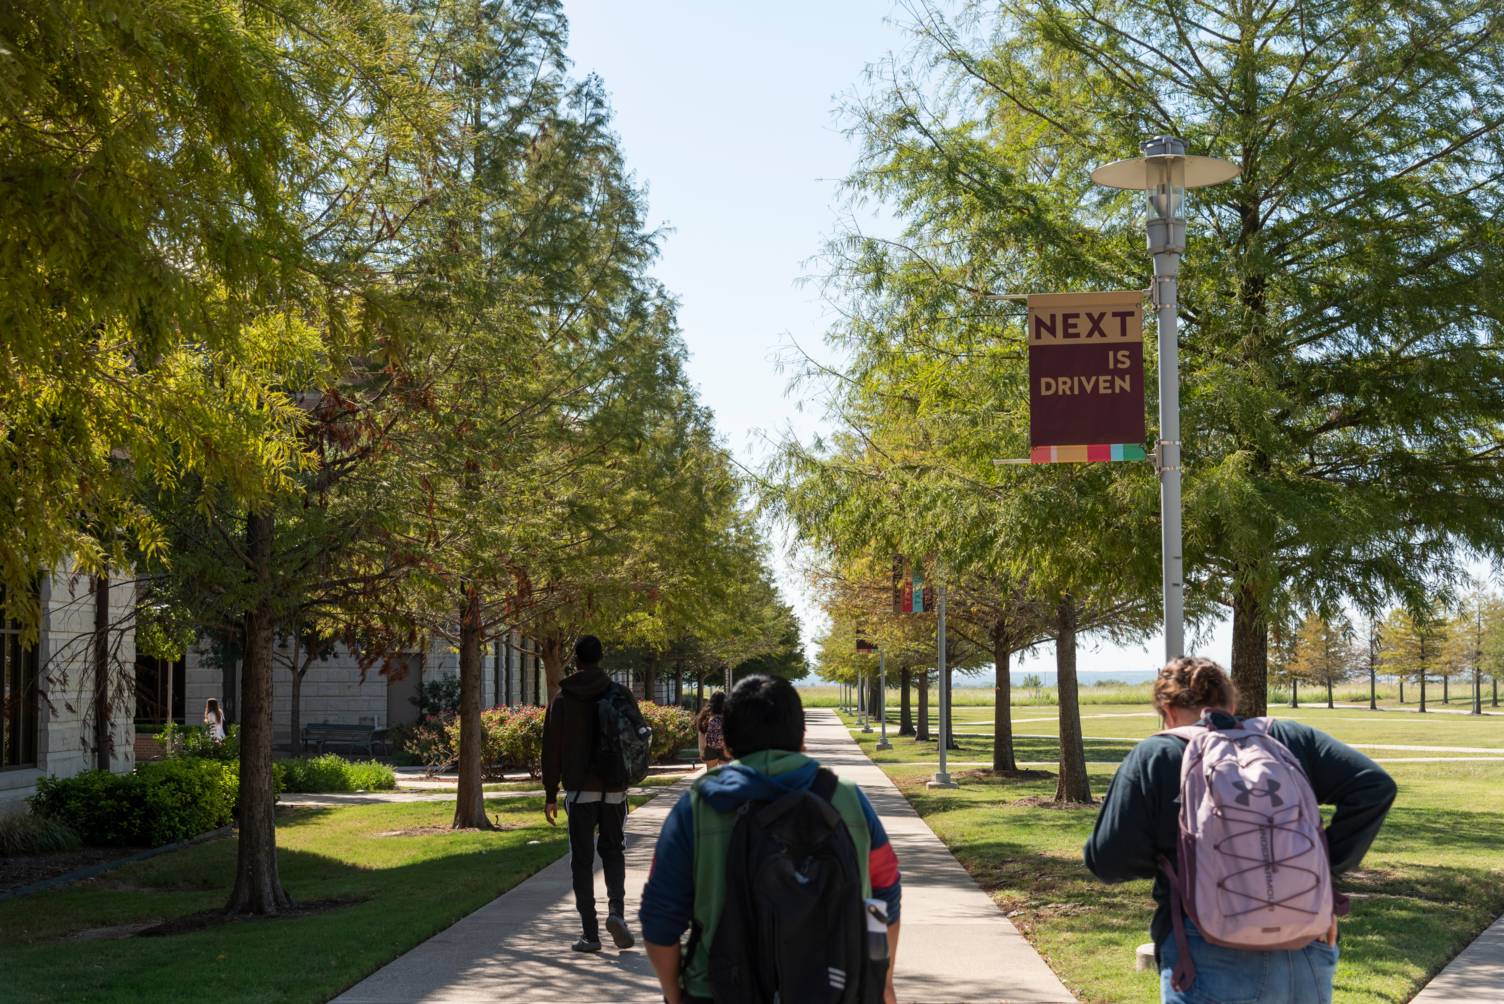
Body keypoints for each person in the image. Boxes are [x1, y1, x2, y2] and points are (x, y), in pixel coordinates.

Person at [1084, 657, 1396, 1004]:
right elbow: (1374, 785)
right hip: (1304, 936)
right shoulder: (1288, 738)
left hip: (1204, 944)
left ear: (1167, 710)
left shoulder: (1158, 754)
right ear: (1232, 705)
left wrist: (1171, 860)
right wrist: (1325, 868)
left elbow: (1107, 859)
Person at [640, 673, 902, 1004]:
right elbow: (885, 894)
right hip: (836, 990)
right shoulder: (849, 800)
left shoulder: (697, 807)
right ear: (802, 737)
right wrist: (882, 979)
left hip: (719, 990)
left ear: (729, 744)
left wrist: (674, 994)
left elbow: (659, 918)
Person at [542, 635, 636, 953]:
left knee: (582, 861)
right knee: (614, 852)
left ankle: (590, 934)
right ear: (600, 657)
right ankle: (617, 914)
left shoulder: (563, 698)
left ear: (576, 659)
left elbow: (551, 749)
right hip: (614, 789)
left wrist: (550, 793)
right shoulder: (620, 694)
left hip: (580, 791)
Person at [696, 691, 727, 769]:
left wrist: (702, 751)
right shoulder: (729, 713)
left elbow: (702, 733)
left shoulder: (705, 714)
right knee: (726, 775)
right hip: (725, 748)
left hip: (710, 748)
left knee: (711, 776)